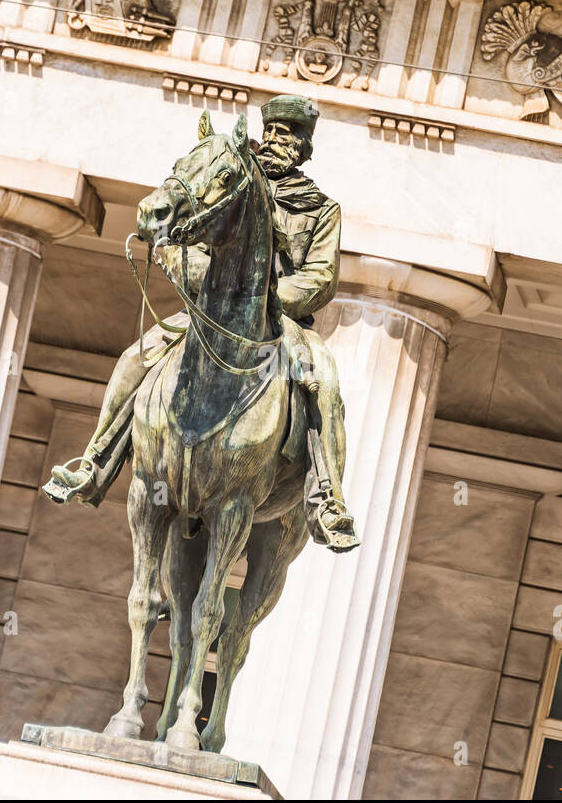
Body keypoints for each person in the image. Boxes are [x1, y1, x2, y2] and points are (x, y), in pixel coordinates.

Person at [48, 94, 360, 552]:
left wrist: (268, 299)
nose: (275, 141)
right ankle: (95, 461)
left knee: (324, 381)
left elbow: (320, 276)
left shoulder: (320, 209)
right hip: (212, 311)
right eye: (271, 131)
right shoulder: (225, 174)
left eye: (288, 135)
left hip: (278, 321)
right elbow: (186, 236)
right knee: (137, 356)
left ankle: (326, 498)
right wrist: (205, 280)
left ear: (305, 148)